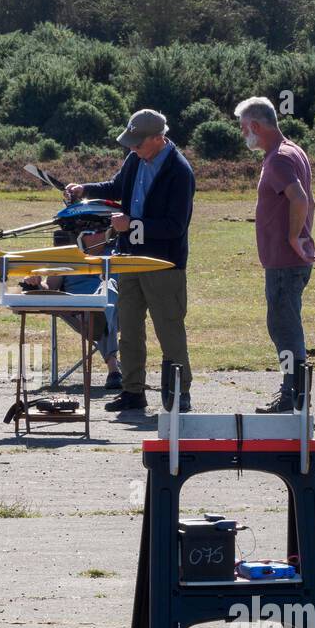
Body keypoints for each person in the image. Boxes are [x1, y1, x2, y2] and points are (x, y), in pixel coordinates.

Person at [65, 109, 195, 413]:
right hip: (128, 260)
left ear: (158, 138)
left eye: (138, 143)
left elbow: (175, 226)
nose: (132, 148)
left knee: (169, 329)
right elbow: (116, 186)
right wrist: (85, 189)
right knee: (130, 330)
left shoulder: (180, 172)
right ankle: (132, 391)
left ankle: (180, 392)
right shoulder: (136, 159)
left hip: (162, 265)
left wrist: (132, 224)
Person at [233, 96, 315, 413]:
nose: (243, 135)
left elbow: (299, 199)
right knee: (286, 326)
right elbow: (304, 199)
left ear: (255, 125)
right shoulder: (292, 151)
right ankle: (295, 393)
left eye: (244, 128)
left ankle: (291, 395)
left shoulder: (279, 158)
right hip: (287, 260)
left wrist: (294, 236)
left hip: (285, 262)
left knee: (283, 329)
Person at [20, 229, 122, 388]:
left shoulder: (120, 254)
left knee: (107, 289)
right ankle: (113, 368)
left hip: (120, 313)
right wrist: (34, 282)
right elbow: (49, 288)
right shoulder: (67, 258)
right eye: (89, 231)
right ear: (80, 235)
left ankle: (98, 320)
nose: (95, 235)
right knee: (99, 311)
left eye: (100, 230)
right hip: (78, 315)